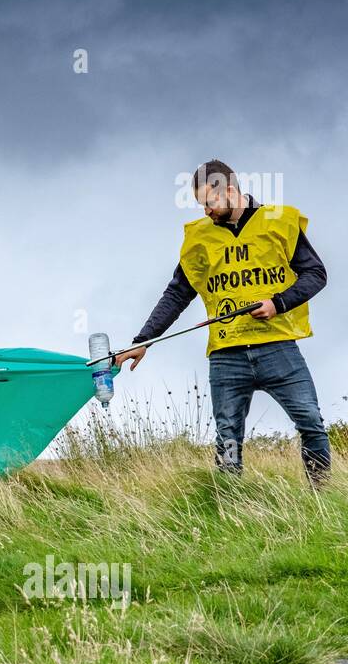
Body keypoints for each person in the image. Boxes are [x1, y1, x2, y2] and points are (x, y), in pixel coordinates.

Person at [114, 160, 330, 485]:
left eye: (210, 202)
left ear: (230, 191)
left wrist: (278, 303)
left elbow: (316, 274)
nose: (206, 212)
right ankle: (230, 508)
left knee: (311, 422)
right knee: (228, 437)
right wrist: (143, 340)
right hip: (226, 356)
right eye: (201, 205)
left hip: (278, 348)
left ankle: (323, 497)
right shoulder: (200, 238)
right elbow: (177, 294)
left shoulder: (279, 221)